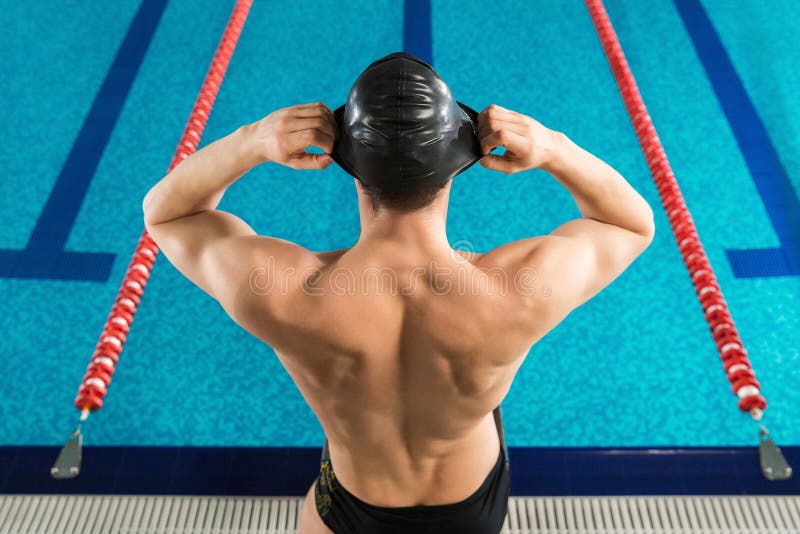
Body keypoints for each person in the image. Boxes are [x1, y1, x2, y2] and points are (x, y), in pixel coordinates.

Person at [143, 52, 654, 534]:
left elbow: (168, 215)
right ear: (459, 161)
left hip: (353, 504)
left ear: (345, 159)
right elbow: (630, 225)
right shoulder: (517, 290)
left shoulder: (285, 291)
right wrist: (555, 149)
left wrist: (251, 141)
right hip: (470, 507)